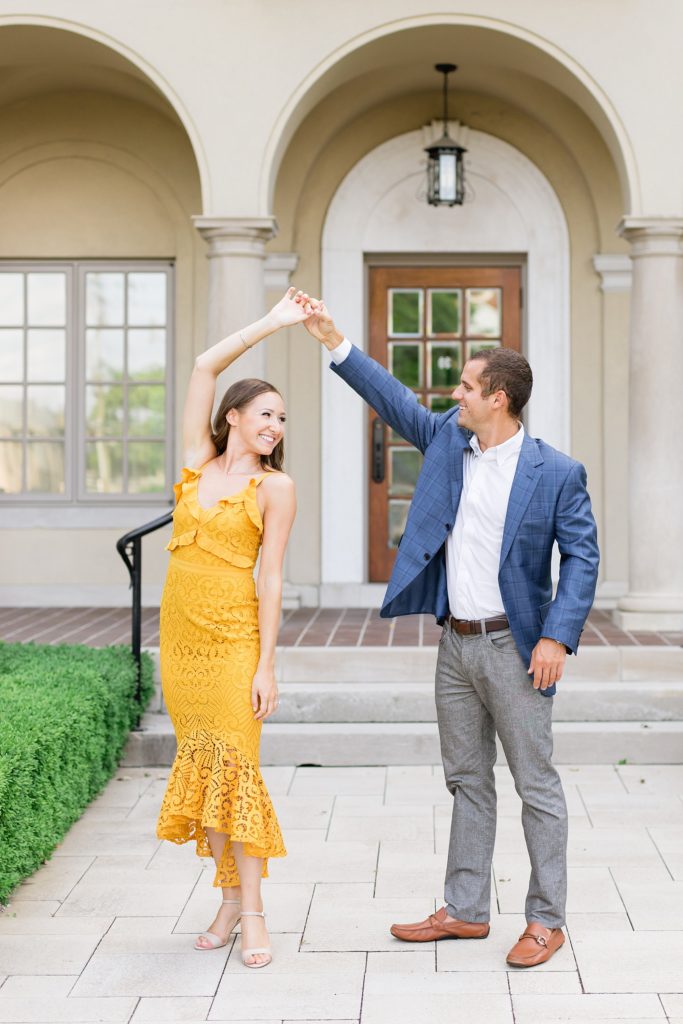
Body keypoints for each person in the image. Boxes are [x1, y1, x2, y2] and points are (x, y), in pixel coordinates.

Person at [299, 294, 599, 968]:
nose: (454, 394)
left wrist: (556, 636)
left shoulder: (556, 473)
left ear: (497, 398)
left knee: (535, 786)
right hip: (455, 643)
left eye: (466, 385)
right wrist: (334, 340)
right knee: (466, 778)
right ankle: (465, 912)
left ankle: (545, 920)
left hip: (519, 648)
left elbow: (581, 556)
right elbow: (391, 399)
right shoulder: (447, 441)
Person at [156, 287, 307, 968]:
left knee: (236, 771)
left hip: (232, 641)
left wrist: (265, 664)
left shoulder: (276, 488)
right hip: (179, 641)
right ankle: (224, 898)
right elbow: (200, 367)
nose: (275, 426)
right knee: (203, 773)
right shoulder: (196, 465)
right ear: (233, 418)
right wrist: (272, 323)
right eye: (266, 414)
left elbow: (270, 576)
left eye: (282, 418)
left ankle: (251, 913)